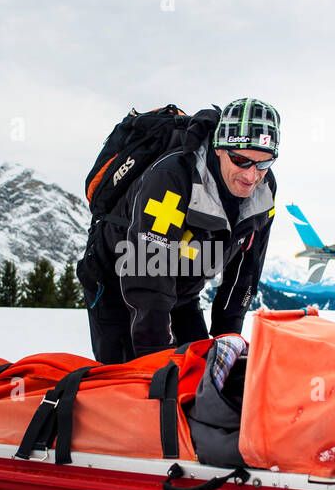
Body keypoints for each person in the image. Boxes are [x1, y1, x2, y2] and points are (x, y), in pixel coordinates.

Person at [78, 98, 280, 363]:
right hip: (117, 286)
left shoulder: (264, 193)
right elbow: (147, 271)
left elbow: (246, 273)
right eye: (241, 160)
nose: (251, 176)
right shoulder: (172, 179)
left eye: (263, 164)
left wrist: (226, 342)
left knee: (201, 377)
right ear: (219, 148)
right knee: (132, 384)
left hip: (181, 293)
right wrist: (156, 359)